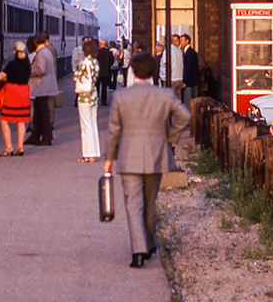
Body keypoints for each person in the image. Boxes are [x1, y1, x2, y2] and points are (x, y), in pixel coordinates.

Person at [103, 52, 191, 268]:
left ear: (132, 71)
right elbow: (185, 116)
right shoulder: (165, 94)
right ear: (153, 72)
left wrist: (109, 158)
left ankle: (139, 251)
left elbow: (114, 130)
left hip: (129, 154)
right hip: (156, 153)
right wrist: (169, 136)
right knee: (150, 203)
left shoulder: (121, 97)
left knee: (133, 203)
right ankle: (149, 243)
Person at [0, 41, 32, 157]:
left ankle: (9, 147)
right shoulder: (28, 65)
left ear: (14, 52)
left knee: (4, 119)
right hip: (24, 92)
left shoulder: (11, 64)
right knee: (21, 120)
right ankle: (20, 148)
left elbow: (1, 76)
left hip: (12, 92)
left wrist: (5, 77)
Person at [26, 32, 58, 145]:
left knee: (43, 114)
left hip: (42, 86)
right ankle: (35, 136)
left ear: (35, 42)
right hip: (43, 86)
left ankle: (46, 138)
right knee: (40, 113)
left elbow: (40, 70)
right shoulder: (46, 51)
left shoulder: (42, 53)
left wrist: (28, 71)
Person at [73, 38, 101, 162]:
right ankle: (95, 152)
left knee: (86, 126)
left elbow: (77, 76)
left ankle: (88, 155)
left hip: (85, 96)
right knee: (93, 124)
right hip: (94, 95)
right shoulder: (95, 62)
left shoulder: (85, 62)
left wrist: (77, 74)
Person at [179, 33, 200, 104]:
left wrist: (185, 81)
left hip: (190, 82)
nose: (181, 42)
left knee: (188, 101)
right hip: (191, 81)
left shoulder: (189, 53)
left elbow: (188, 67)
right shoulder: (188, 52)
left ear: (187, 41)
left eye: (182, 40)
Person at [95, 40, 115, 105]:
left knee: (96, 87)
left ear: (100, 44)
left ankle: (96, 100)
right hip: (106, 72)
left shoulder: (96, 52)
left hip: (97, 72)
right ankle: (104, 101)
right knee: (104, 87)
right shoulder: (109, 52)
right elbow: (112, 61)